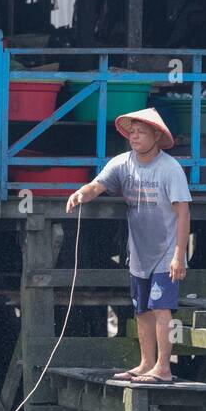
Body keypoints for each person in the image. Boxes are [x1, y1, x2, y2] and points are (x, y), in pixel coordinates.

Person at [65, 108, 192, 385]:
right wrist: (80, 194)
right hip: (139, 251)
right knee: (141, 309)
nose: (134, 137)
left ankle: (163, 368)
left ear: (156, 136)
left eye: (141, 132)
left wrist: (179, 256)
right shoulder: (122, 163)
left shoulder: (170, 168)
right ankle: (146, 363)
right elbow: (97, 185)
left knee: (162, 308)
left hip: (166, 250)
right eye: (132, 132)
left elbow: (183, 213)